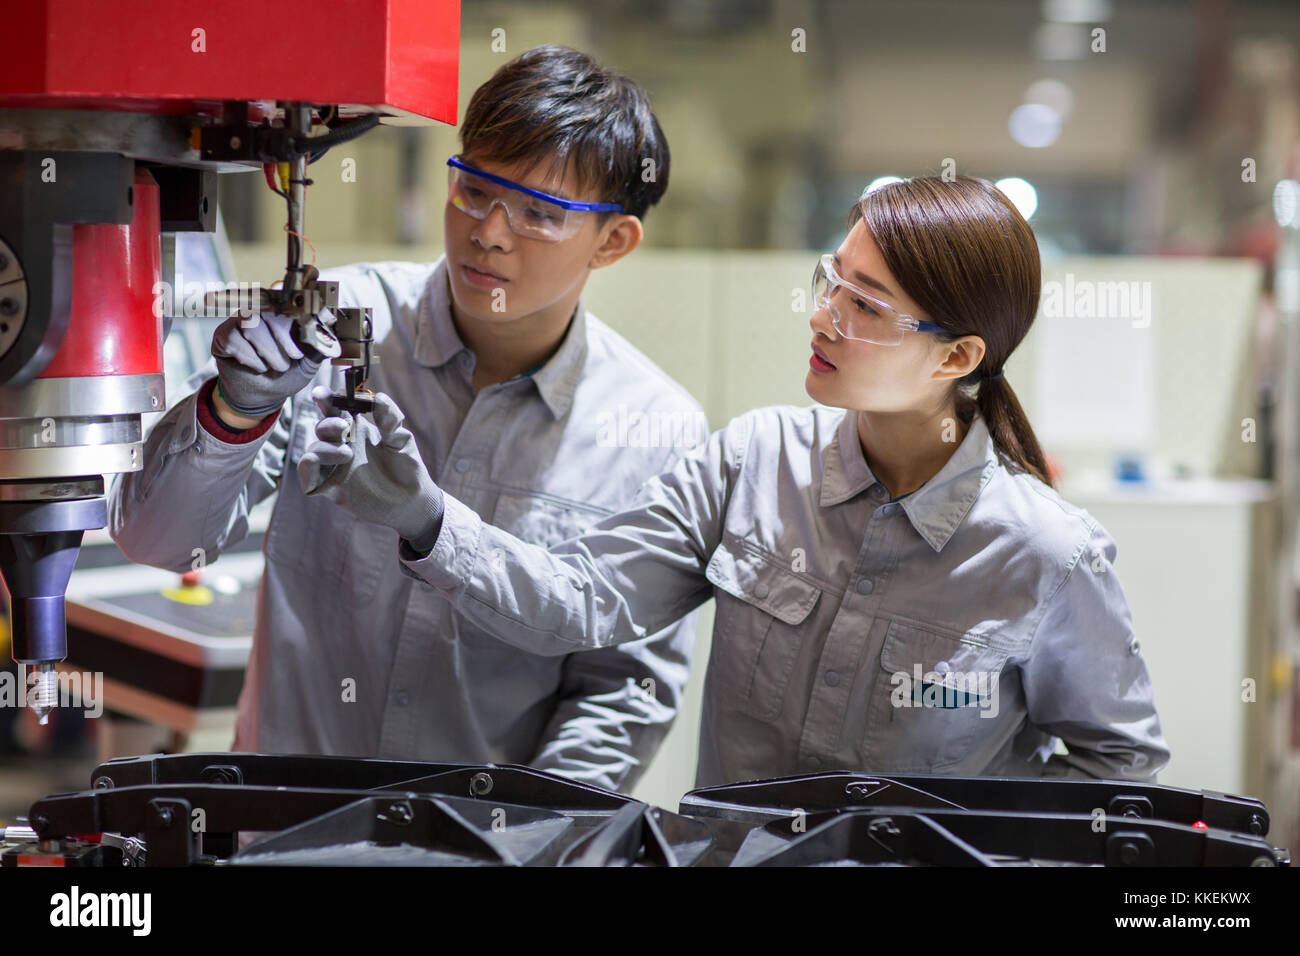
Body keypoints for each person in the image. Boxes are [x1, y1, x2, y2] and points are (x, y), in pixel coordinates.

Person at [301, 173, 1173, 789]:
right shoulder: (755, 462)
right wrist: (423, 516)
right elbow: (578, 602)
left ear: (956, 355)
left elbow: (1119, 772)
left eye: (864, 306)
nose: (822, 314)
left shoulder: (1047, 556)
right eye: (830, 278)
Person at [107, 45, 705, 793]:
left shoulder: (652, 431)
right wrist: (235, 412)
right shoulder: (332, 332)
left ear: (613, 241)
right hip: (283, 830)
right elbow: (156, 540)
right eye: (474, 190)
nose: (489, 231)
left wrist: (535, 840)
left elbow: (623, 691)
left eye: (539, 213)